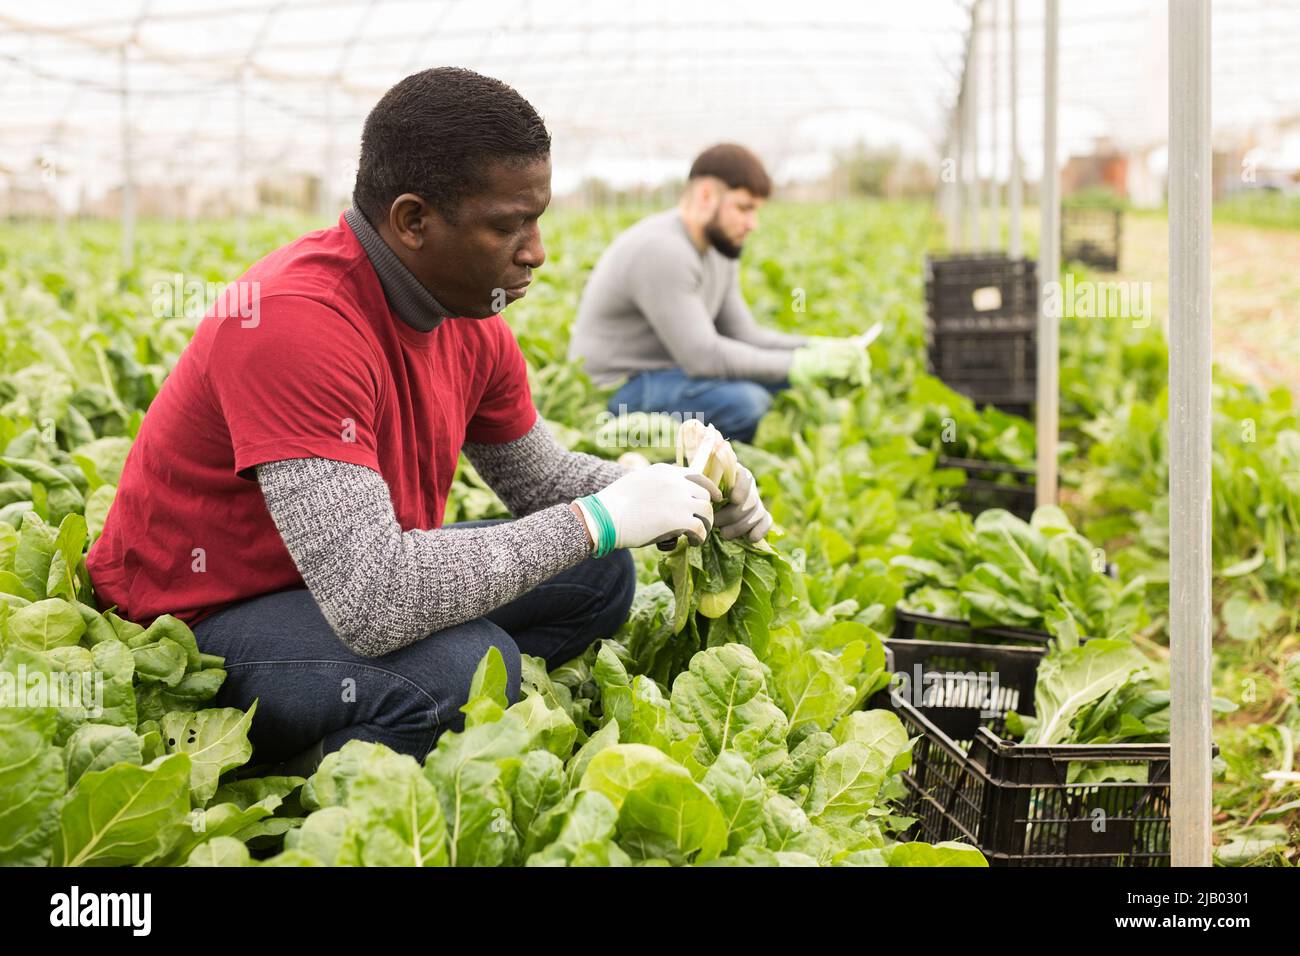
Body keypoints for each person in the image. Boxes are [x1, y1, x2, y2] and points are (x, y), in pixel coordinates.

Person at [85, 68, 773, 777]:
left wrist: (677, 495)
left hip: (343, 581)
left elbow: (541, 479)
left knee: (601, 579)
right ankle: (293, 762)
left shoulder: (471, 313)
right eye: (509, 225)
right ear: (413, 221)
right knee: (466, 669)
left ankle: (421, 709)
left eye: (537, 219)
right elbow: (373, 599)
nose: (536, 249)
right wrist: (598, 518)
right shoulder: (294, 322)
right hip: (201, 618)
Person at [568, 143, 869, 443]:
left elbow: (746, 336)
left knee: (777, 380)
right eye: (743, 208)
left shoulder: (719, 249)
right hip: (617, 388)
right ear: (706, 196)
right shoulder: (662, 250)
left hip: (671, 371)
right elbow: (704, 357)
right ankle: (674, 462)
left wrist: (817, 348)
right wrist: (798, 365)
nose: (752, 224)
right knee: (746, 403)